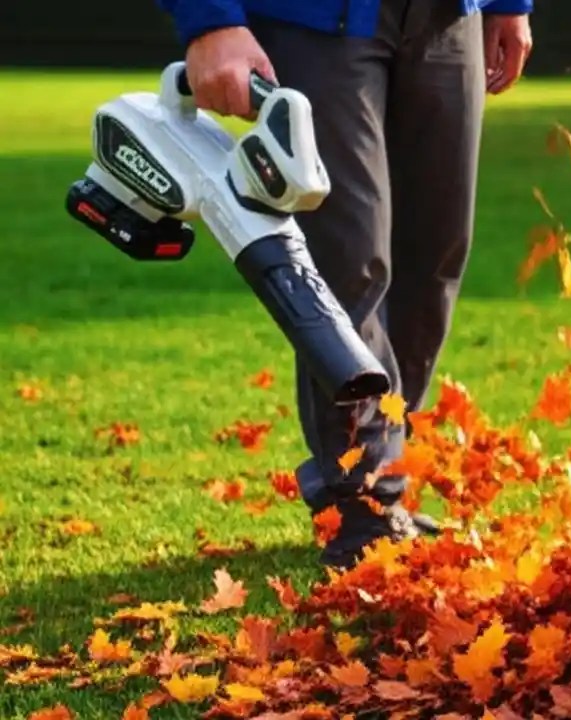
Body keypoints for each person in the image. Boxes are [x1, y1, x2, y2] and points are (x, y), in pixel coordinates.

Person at [155, 0, 533, 569]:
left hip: (451, 17)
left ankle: (385, 476)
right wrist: (209, 19)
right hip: (320, 19)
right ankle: (363, 500)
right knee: (348, 260)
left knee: (435, 253)